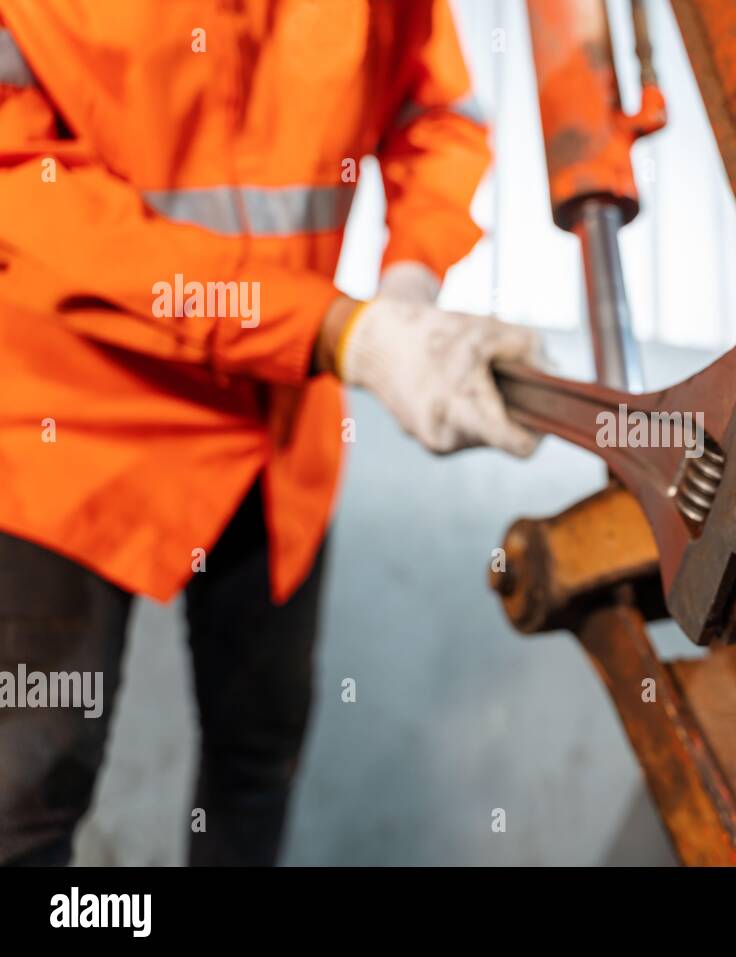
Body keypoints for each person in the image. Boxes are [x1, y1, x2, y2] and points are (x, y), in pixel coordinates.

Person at [0, 0, 538, 865]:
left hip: (277, 432)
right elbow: (24, 188)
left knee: (257, 757)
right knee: (25, 792)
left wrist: (406, 282)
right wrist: (334, 330)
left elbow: (438, 118)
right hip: (76, 425)